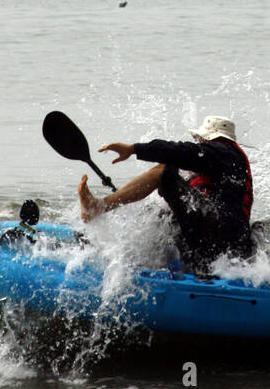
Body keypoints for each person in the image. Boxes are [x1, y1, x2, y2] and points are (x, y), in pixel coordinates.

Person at [78, 115, 255, 274]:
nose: (196, 141)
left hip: (221, 240)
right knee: (162, 215)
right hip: (224, 246)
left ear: (207, 138)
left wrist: (134, 149)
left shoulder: (222, 152)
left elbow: (180, 152)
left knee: (162, 172)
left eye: (198, 138)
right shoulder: (224, 162)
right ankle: (117, 248)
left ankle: (99, 207)